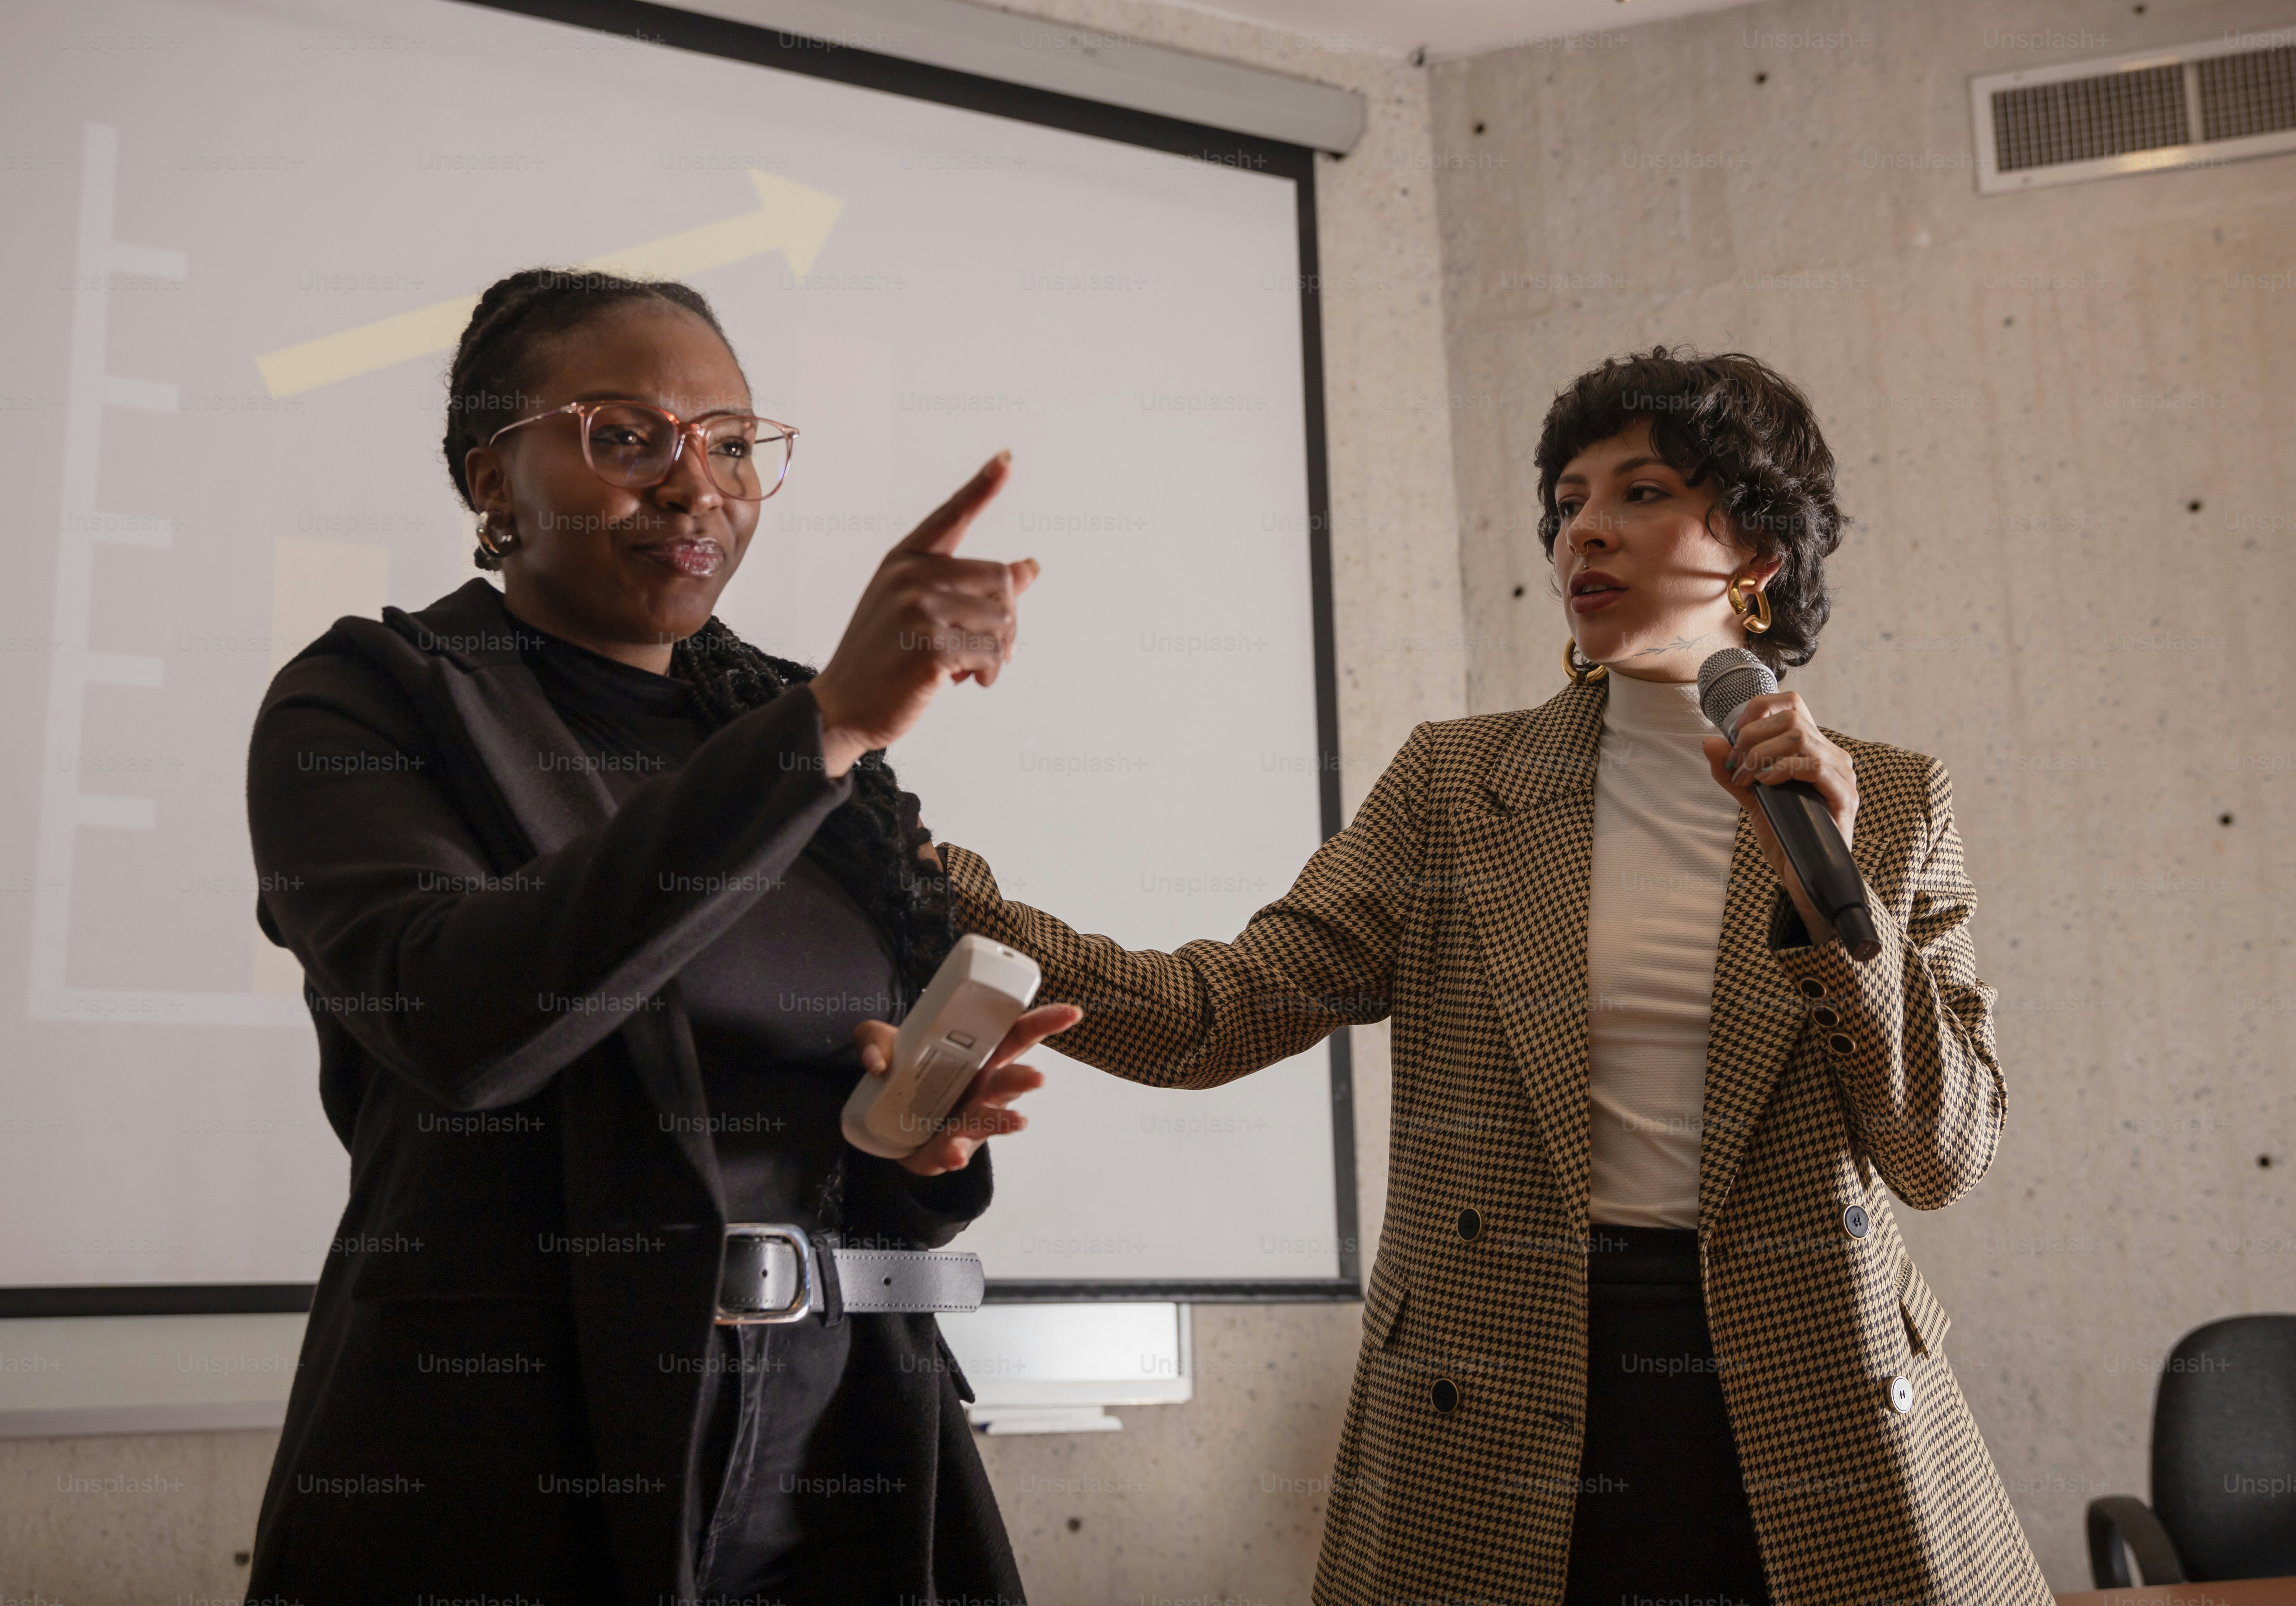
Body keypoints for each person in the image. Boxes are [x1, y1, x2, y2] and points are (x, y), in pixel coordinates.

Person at [935, 349, 2053, 1604]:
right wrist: (944, 900)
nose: (1586, 529)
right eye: (1568, 501)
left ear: (1756, 555)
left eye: (1639, 493)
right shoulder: (1456, 787)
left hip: (1800, 1389)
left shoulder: (1889, 801)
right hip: (1501, 1379)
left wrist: (1829, 896)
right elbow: (1219, 1014)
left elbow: (1941, 1156)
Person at [243, 268, 1074, 1604]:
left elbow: (856, 1145)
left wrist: (917, 1141)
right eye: (626, 438)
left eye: (734, 443)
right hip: (511, 1456)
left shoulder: (797, 730)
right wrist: (816, 735)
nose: (698, 485)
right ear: (490, 481)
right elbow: (456, 1019)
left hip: (844, 1452)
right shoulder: (367, 698)